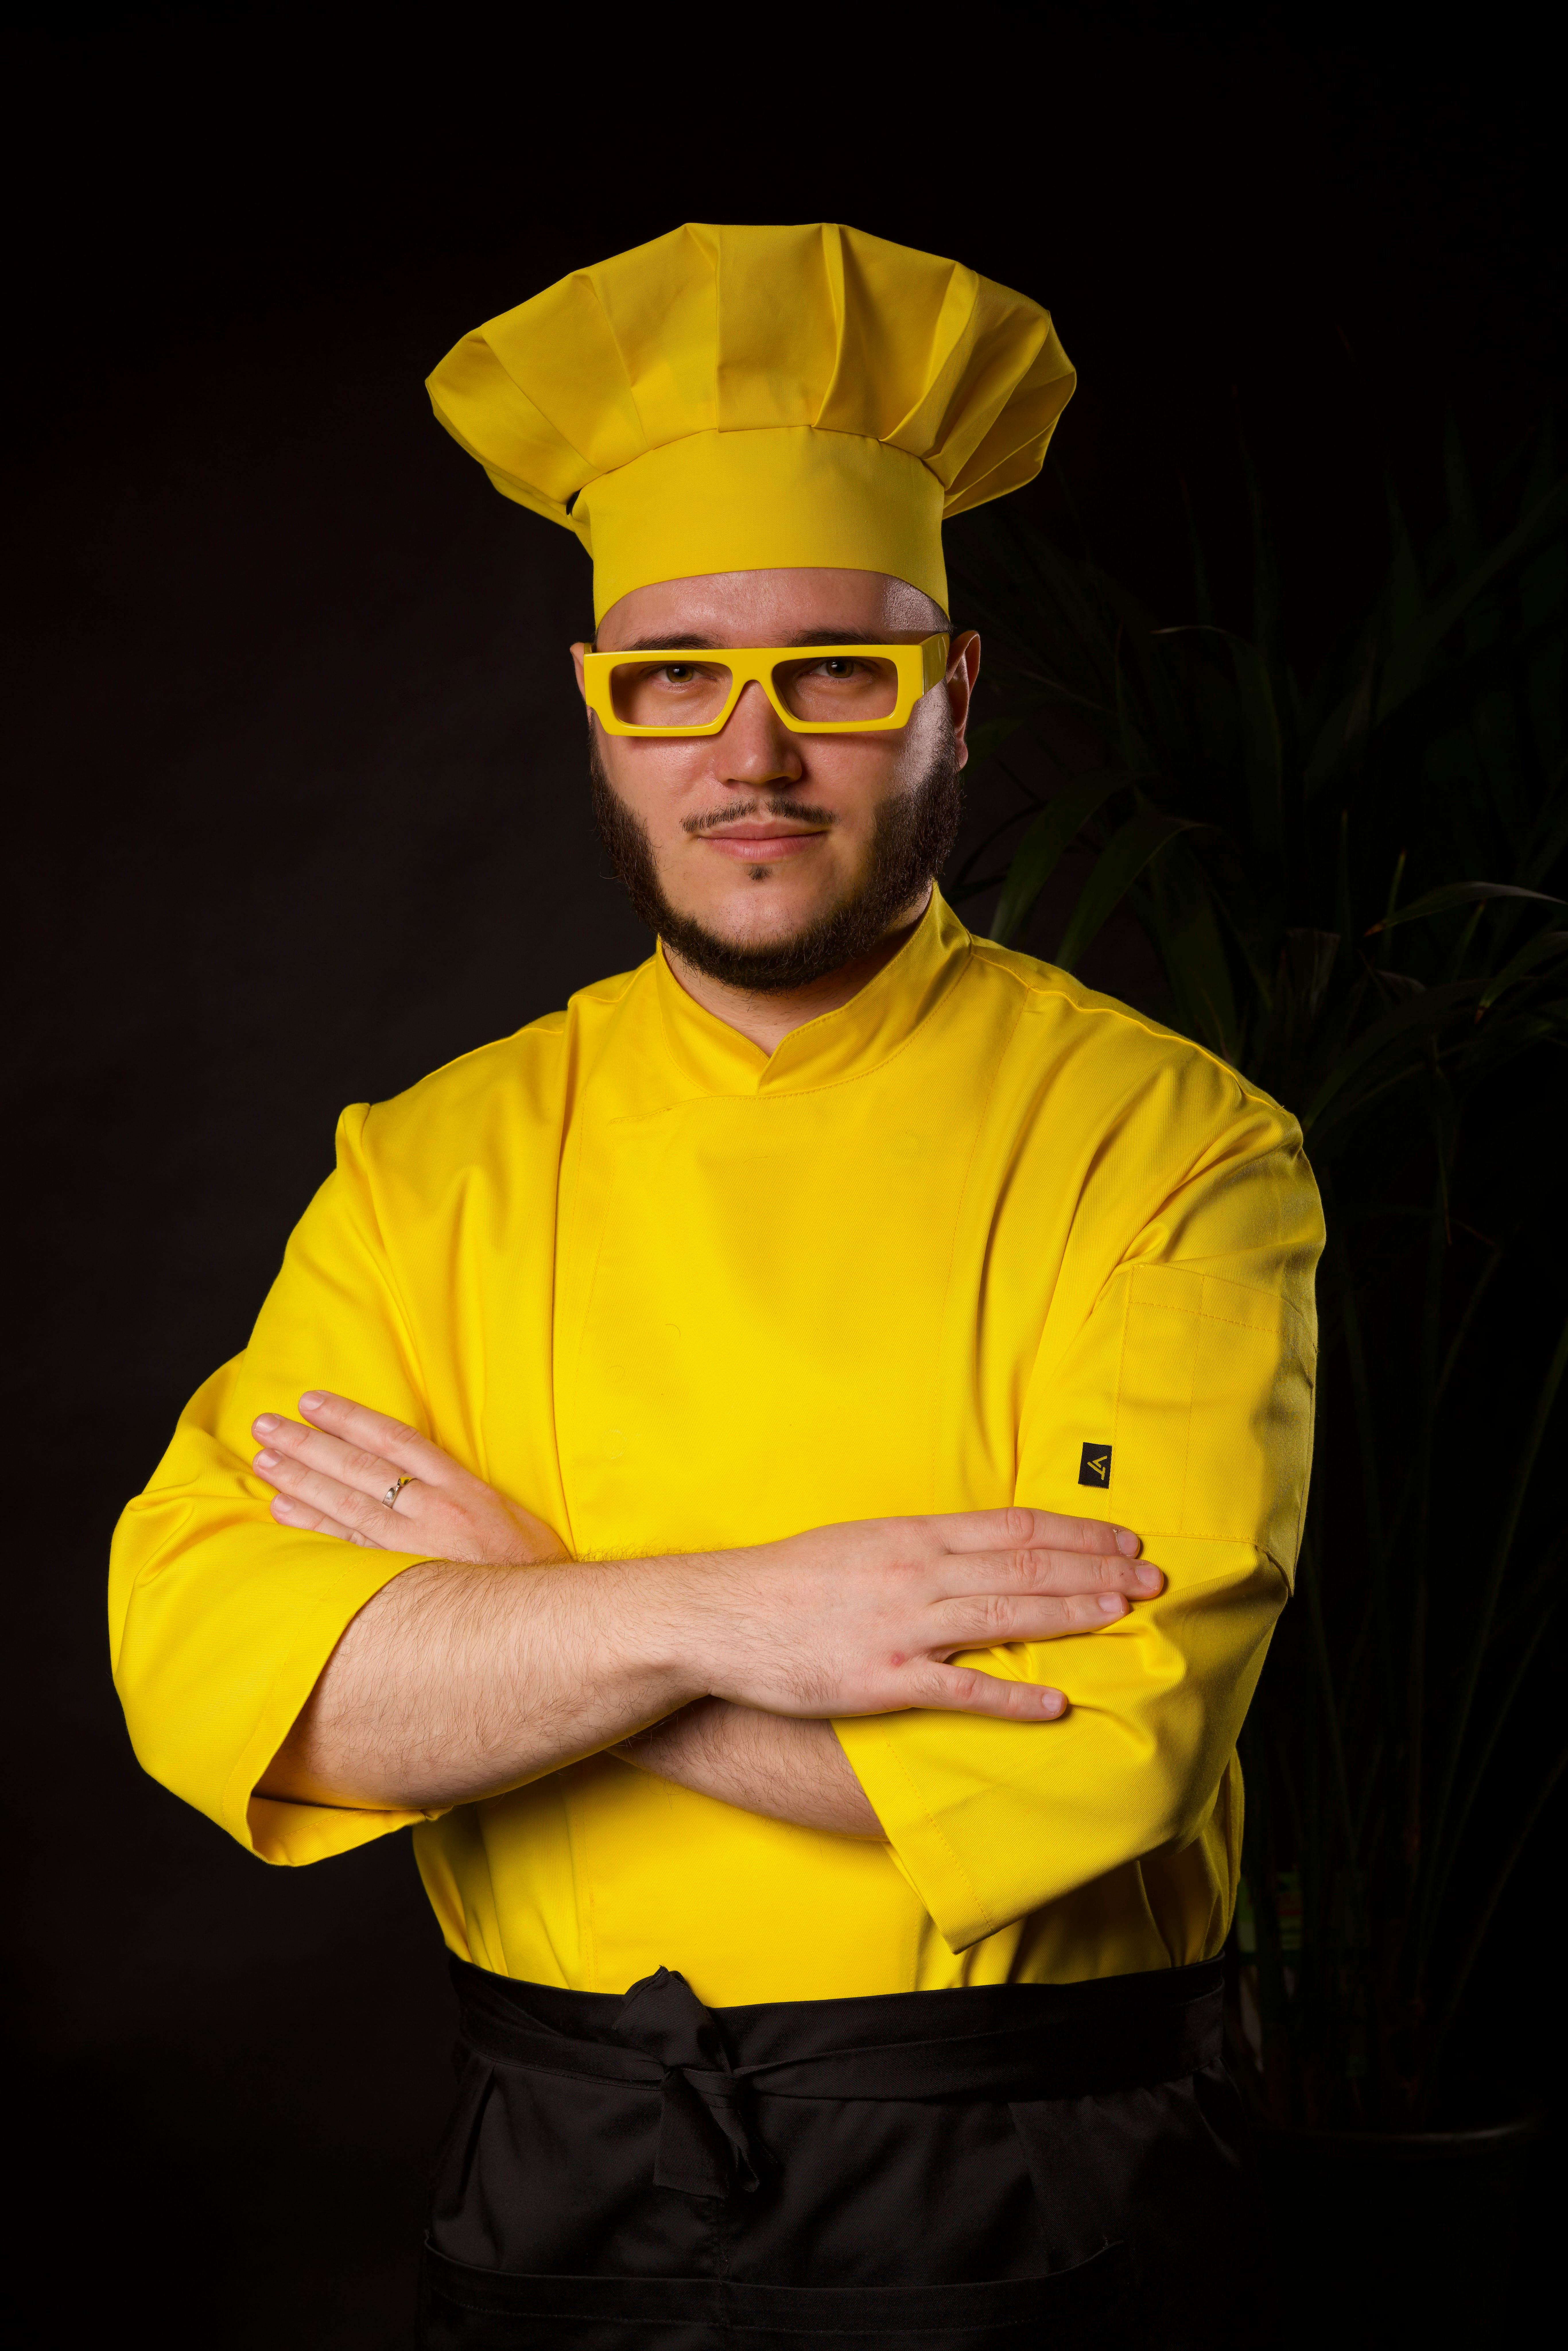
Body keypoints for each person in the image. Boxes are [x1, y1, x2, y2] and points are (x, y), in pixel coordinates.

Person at [110, 222, 1321, 2349]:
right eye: (673, 675)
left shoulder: (1173, 1147)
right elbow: (231, 1673)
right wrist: (727, 1613)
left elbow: (1086, 1754)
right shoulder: (430, 1162)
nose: (745, 756)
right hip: (555, 2168)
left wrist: (512, 1614)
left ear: (948, 693)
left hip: (1040, 2176)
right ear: (600, 712)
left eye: (830, 674)